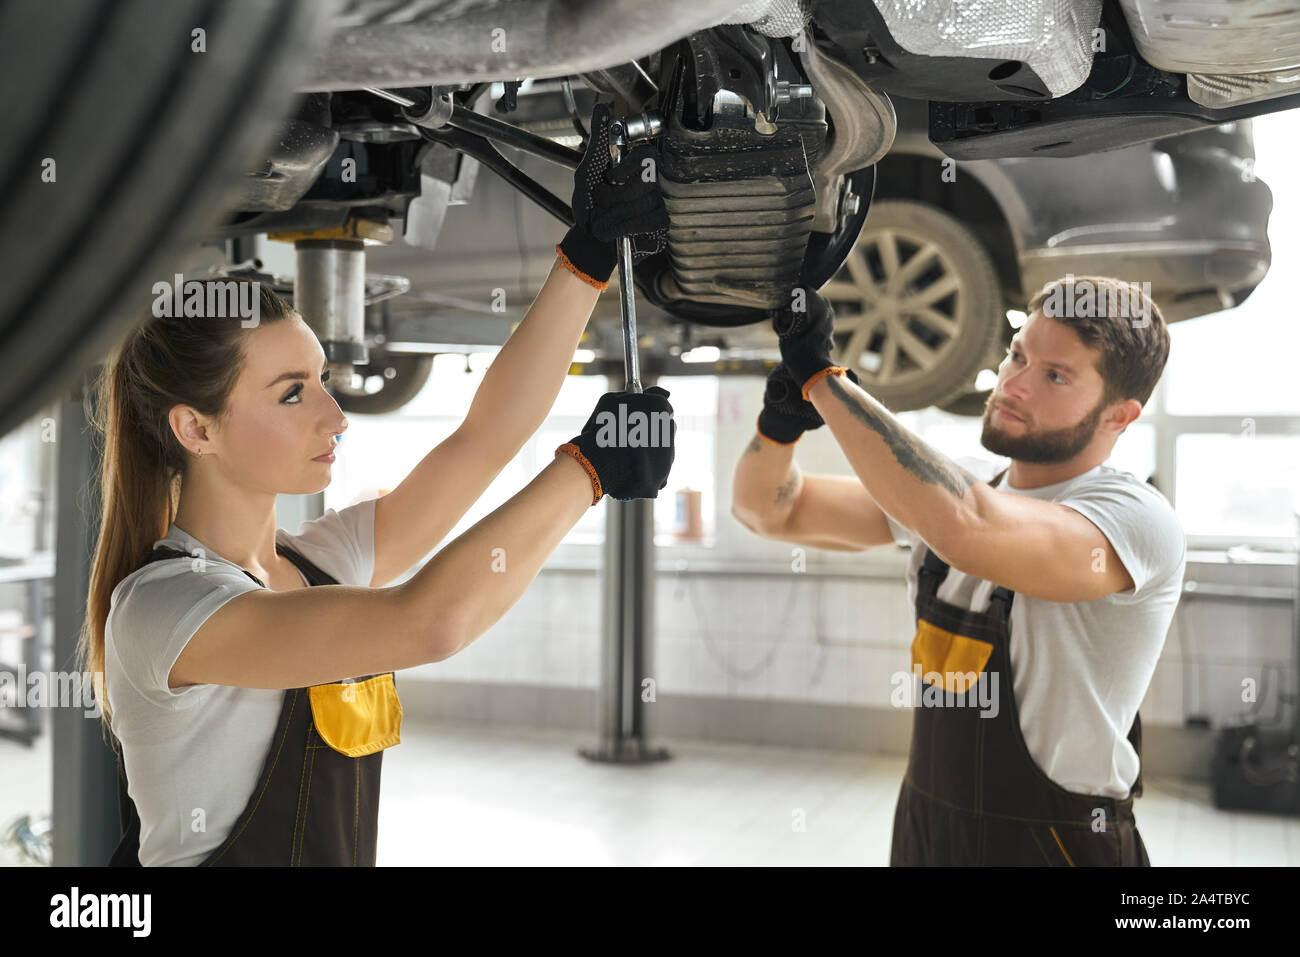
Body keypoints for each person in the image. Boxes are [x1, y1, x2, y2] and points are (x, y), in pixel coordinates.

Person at [80, 102, 676, 867]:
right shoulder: (164, 609)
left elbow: (482, 440)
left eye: (323, 379)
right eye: (292, 392)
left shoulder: (321, 560)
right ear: (196, 429)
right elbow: (429, 622)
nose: (335, 415)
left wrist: (586, 261)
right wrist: (588, 471)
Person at [732, 276, 1186, 866]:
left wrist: (824, 379)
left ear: (1119, 415)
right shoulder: (962, 490)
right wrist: (780, 425)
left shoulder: (1133, 518)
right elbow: (770, 509)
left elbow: (969, 529)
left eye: (1055, 375)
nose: (1015, 385)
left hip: (1054, 844)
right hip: (928, 824)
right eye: (1018, 355)